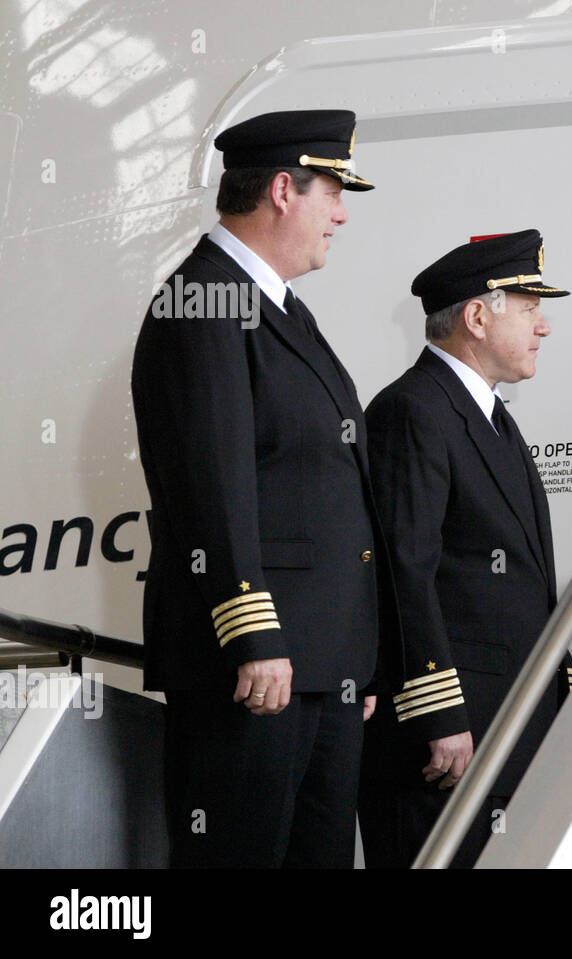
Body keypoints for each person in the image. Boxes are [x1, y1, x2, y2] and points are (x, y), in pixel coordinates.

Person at [131, 109, 395, 867]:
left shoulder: (281, 309)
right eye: (333, 191)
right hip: (256, 664)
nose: (341, 212)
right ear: (283, 189)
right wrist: (252, 631)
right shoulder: (203, 301)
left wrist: (355, 658)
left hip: (318, 666)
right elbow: (211, 483)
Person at [358, 229, 572, 868]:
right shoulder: (413, 411)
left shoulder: (491, 417)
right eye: (531, 307)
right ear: (478, 317)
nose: (544, 327)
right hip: (448, 737)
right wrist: (437, 712)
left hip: (507, 729)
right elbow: (405, 570)